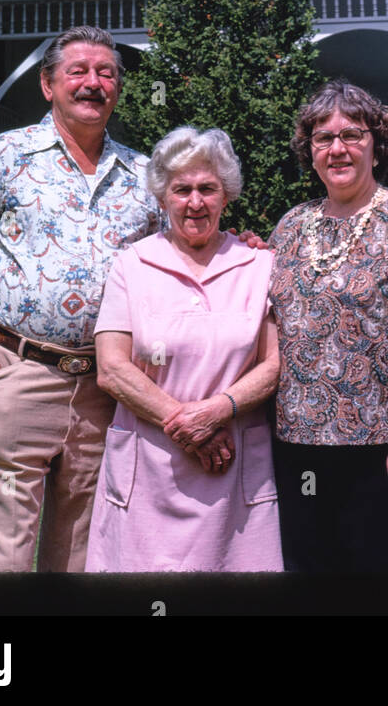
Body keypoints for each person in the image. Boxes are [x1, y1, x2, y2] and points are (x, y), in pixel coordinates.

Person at [0, 26, 162, 573]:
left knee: (82, 559)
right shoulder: (3, 156)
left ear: (118, 89)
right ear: (48, 85)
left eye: (106, 73)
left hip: (105, 392)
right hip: (18, 376)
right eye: (78, 72)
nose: (93, 83)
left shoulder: (146, 175)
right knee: (7, 562)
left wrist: (242, 244)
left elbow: (182, 257)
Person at [268, 80, 388, 573]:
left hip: (380, 449)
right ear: (309, 151)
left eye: (352, 134)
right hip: (296, 448)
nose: (338, 148)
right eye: (323, 138)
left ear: (377, 144)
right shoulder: (289, 226)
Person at [85, 127, 282, 572]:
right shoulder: (131, 265)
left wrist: (216, 413)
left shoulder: (259, 264)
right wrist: (188, 426)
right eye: (182, 190)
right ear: (162, 197)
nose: (195, 202)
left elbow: (274, 364)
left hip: (232, 467)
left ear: (226, 195)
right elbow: (112, 369)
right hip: (149, 468)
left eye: (207, 189)